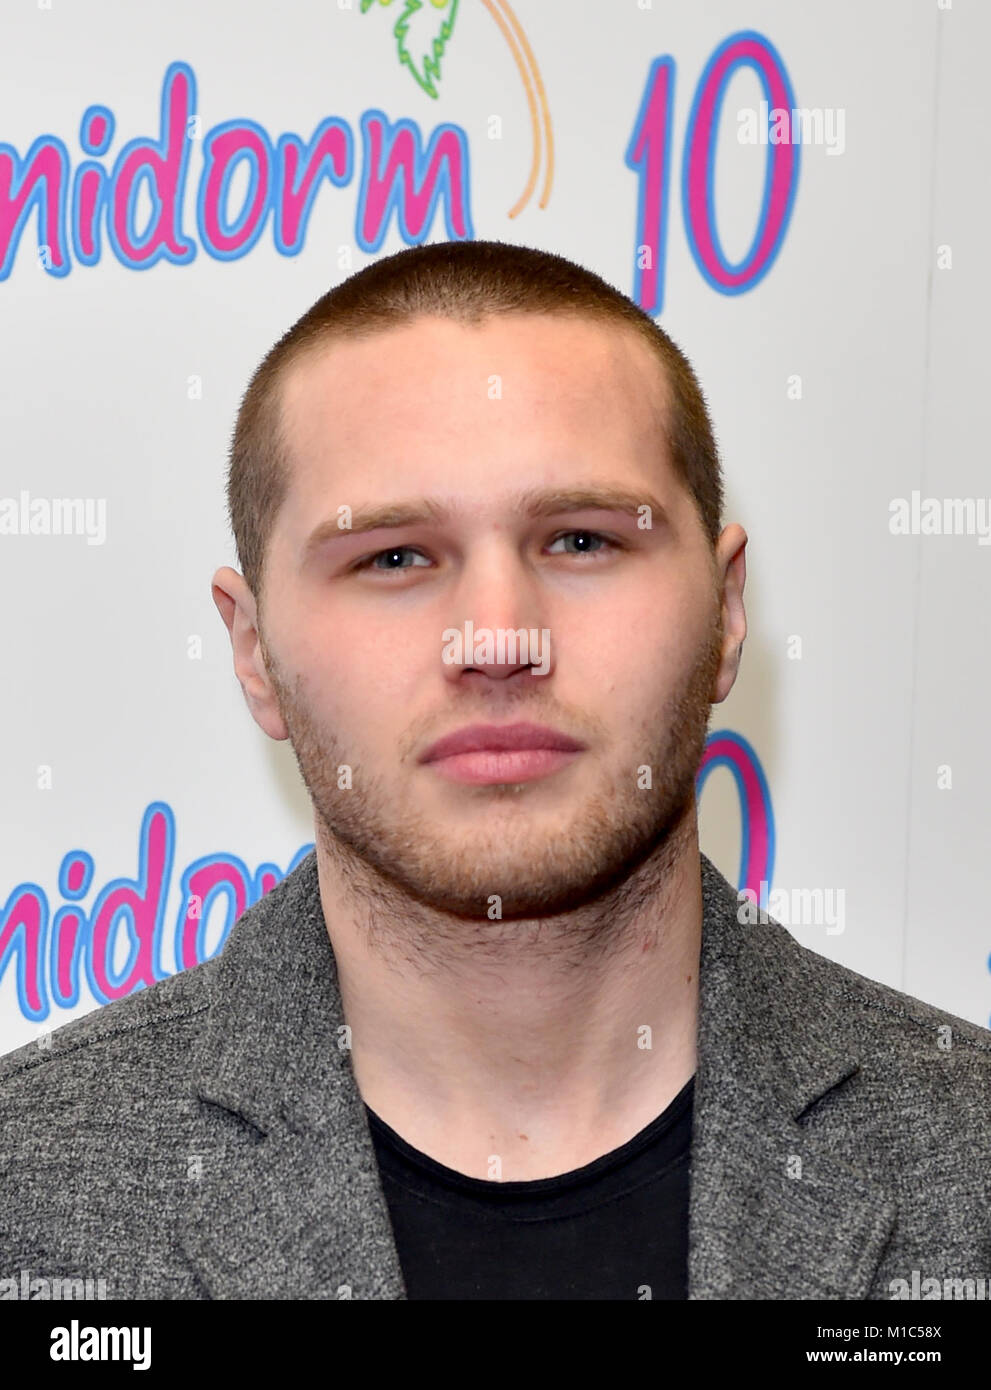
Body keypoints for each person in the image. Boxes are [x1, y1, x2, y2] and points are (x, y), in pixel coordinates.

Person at [1, 241, 988, 1301]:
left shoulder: (965, 1158)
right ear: (255, 653)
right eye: (393, 557)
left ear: (726, 612)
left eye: (580, 540)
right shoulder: (29, 1194)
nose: (498, 638)